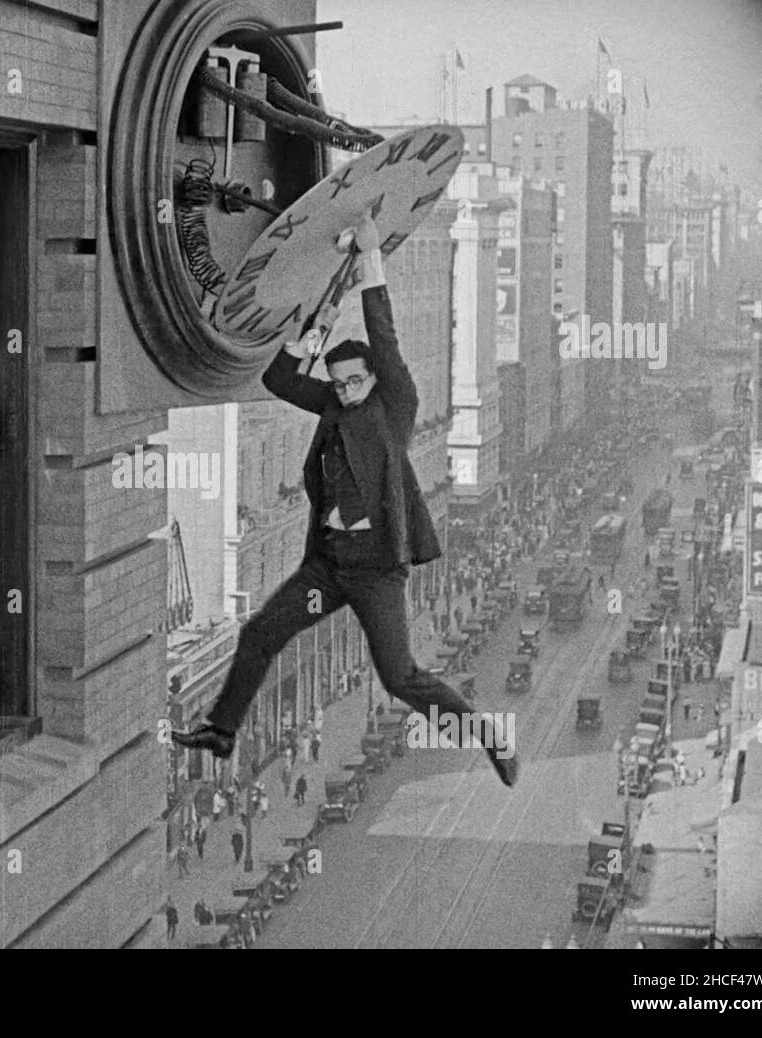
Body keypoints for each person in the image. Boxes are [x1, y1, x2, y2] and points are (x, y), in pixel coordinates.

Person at [170, 211, 518, 789]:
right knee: (260, 633)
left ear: (375, 379)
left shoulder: (396, 405)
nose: (348, 390)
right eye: (339, 382)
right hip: (328, 567)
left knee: (401, 677)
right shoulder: (332, 404)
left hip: (377, 571)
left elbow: (384, 333)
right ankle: (221, 731)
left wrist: (371, 262)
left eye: (357, 381)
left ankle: (487, 735)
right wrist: (315, 326)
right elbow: (279, 381)